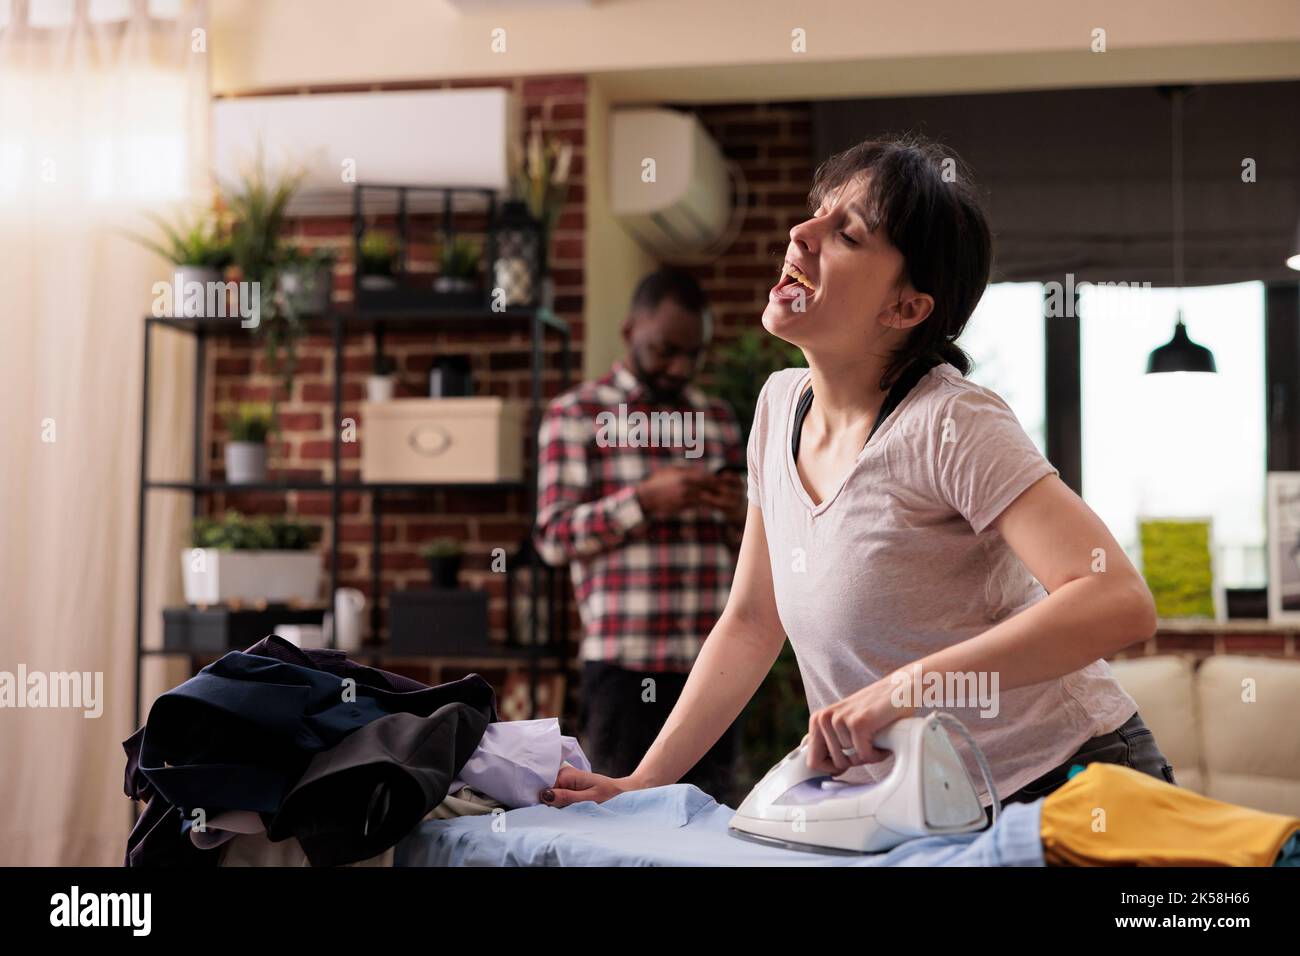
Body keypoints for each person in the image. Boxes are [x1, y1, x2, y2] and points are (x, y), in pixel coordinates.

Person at [540, 134, 1177, 816]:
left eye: (846, 233)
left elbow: (1117, 601)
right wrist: (641, 781)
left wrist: (906, 687)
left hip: (1068, 780)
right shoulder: (777, 406)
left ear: (906, 308)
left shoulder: (950, 422)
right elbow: (753, 622)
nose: (801, 232)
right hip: (925, 804)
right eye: (817, 211)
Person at [533, 268, 748, 805]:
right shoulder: (577, 415)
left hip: (712, 669)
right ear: (630, 331)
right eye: (665, 350)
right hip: (623, 669)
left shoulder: (717, 420)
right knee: (613, 828)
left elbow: (759, 554)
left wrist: (740, 514)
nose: (679, 367)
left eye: (692, 354)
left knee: (709, 826)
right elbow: (554, 538)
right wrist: (644, 502)